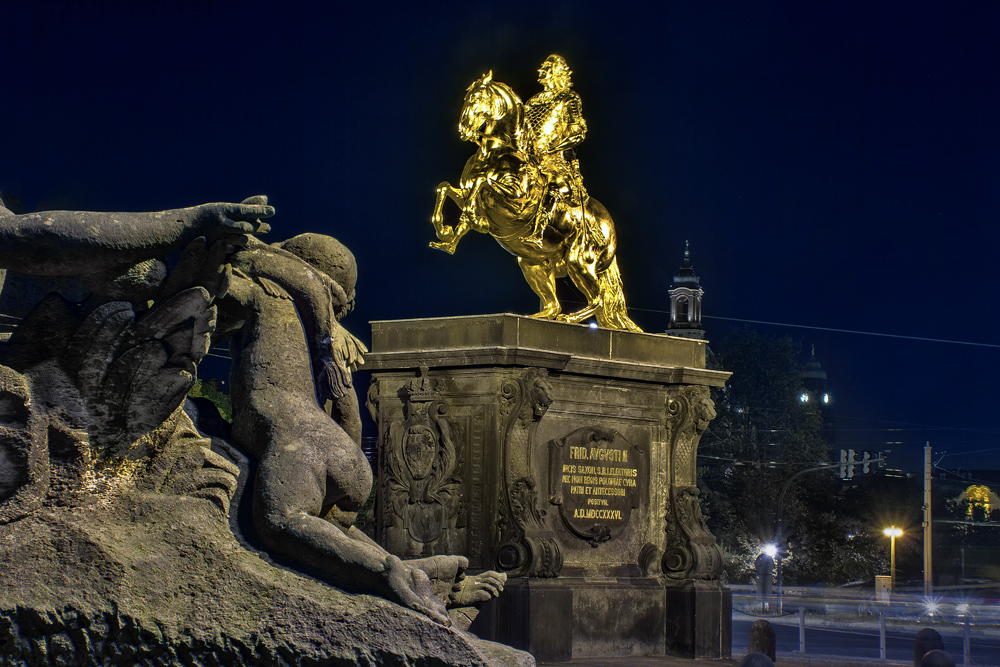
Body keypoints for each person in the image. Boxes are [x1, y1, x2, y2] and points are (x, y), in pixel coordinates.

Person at [215, 233, 504, 626]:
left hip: (293, 438)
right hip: (336, 447)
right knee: (329, 522)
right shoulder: (332, 339)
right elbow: (347, 411)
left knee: (283, 520)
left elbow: (211, 295)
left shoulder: (263, 294)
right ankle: (421, 573)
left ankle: (390, 575)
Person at [522, 54, 589, 247]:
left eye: (547, 69)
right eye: (543, 69)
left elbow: (578, 131)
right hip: (529, 158)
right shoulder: (533, 102)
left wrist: (553, 147)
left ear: (557, 73)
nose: (542, 72)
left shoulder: (569, 98)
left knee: (554, 184)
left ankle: (538, 230)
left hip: (555, 160)